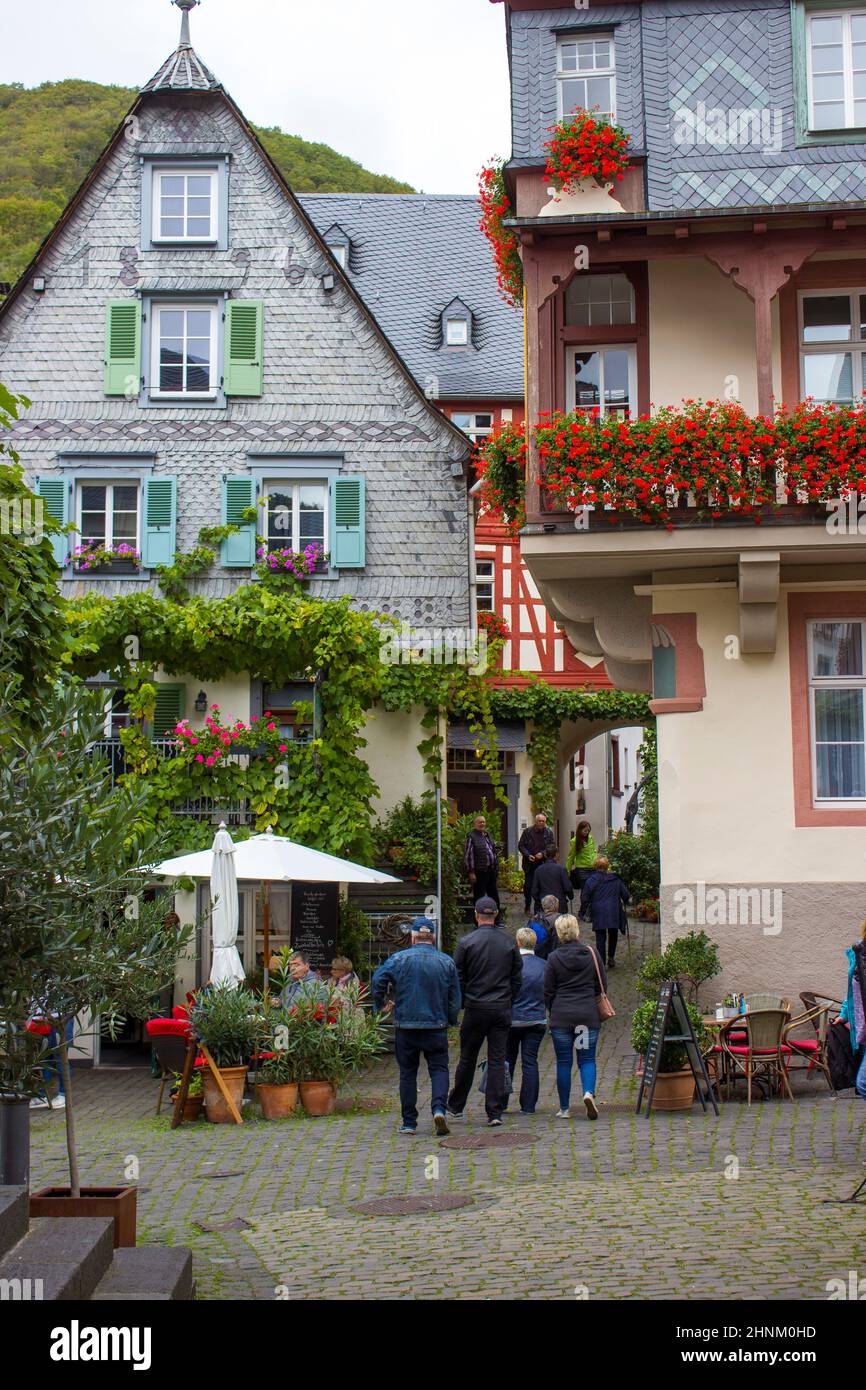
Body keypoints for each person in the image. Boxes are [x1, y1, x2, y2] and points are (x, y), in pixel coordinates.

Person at [372, 917, 461, 1135]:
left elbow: (378, 979)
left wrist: (381, 1003)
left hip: (406, 1025)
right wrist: (450, 1020)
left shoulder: (398, 959)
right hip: (435, 1025)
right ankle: (439, 1108)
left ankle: (409, 1121)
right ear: (432, 937)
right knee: (439, 1069)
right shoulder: (446, 962)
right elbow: (454, 998)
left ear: (412, 937)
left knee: (408, 1073)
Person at [447, 896, 522, 1126]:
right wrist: (508, 998)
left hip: (476, 1006)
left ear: (477, 915)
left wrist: (463, 1001)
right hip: (500, 1007)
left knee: (467, 1058)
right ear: (496, 914)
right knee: (497, 1059)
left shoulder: (466, 942)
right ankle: (495, 1111)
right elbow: (517, 977)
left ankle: (456, 1105)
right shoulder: (509, 943)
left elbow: (457, 976)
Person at [544, 914, 605, 1120]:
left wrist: (552, 1009)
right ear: (577, 930)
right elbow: (601, 985)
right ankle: (588, 1092)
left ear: (559, 933)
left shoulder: (553, 958)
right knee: (587, 1059)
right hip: (586, 1015)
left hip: (562, 1017)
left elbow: (548, 990)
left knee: (563, 1062)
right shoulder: (591, 953)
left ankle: (564, 1108)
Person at [504, 927, 547, 1115]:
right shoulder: (544, 965)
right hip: (536, 1019)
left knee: (507, 1061)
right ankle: (528, 1105)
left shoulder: (510, 965)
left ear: (518, 943)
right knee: (530, 1062)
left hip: (512, 1019)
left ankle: (501, 1101)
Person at [579, 855, 630, 968]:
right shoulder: (615, 879)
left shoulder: (591, 881)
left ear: (595, 866)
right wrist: (625, 900)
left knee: (600, 937)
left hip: (599, 911)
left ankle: (601, 963)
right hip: (613, 910)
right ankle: (611, 957)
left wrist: (584, 911)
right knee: (613, 934)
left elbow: (584, 898)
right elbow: (626, 895)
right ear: (607, 866)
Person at [836, 922, 866, 1102]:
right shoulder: (858, 953)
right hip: (862, 1028)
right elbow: (853, 991)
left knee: (862, 1083)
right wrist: (844, 1014)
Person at [517, 813, 555, 914]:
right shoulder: (528, 831)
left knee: (542, 886)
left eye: (543, 821)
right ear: (536, 821)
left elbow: (552, 846)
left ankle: (540, 906)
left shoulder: (548, 832)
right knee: (528, 886)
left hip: (543, 862)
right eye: (540, 821)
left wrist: (543, 853)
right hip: (529, 863)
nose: (541, 823)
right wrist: (527, 854)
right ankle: (527, 904)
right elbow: (521, 845)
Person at [464, 815, 500, 906]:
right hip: (480, 872)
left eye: (483, 822)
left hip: (491, 871)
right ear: (475, 824)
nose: (482, 824)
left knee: (494, 896)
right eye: (480, 822)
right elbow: (469, 855)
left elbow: (492, 851)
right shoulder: (471, 836)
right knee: (479, 897)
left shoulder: (487, 835)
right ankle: (478, 919)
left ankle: (496, 919)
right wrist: (471, 872)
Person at [531, 844, 573, 915]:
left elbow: (534, 891)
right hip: (560, 906)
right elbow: (568, 888)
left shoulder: (538, 870)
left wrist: (540, 902)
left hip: (543, 906)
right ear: (556, 854)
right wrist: (571, 896)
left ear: (545, 855)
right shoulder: (561, 869)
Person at [567, 820, 597, 892]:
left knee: (594, 889)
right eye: (585, 831)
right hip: (582, 869)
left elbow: (594, 851)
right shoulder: (574, 841)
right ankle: (585, 903)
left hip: (593, 868)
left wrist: (596, 861)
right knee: (585, 890)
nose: (587, 832)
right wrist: (567, 872)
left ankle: (593, 903)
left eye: (588, 831)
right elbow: (571, 857)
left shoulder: (591, 838)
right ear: (580, 830)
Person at [529, 894, 560, 960]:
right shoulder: (559, 919)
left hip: (536, 954)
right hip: (552, 955)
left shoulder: (535, 918)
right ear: (557, 906)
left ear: (543, 905)